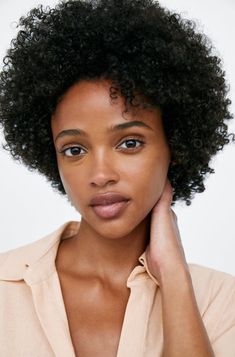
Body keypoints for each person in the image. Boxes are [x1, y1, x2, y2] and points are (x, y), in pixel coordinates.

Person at [0, 0, 234, 356]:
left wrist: (173, 278)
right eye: (74, 150)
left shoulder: (219, 301)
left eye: (129, 142)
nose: (100, 175)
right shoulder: (5, 285)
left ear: (174, 142)